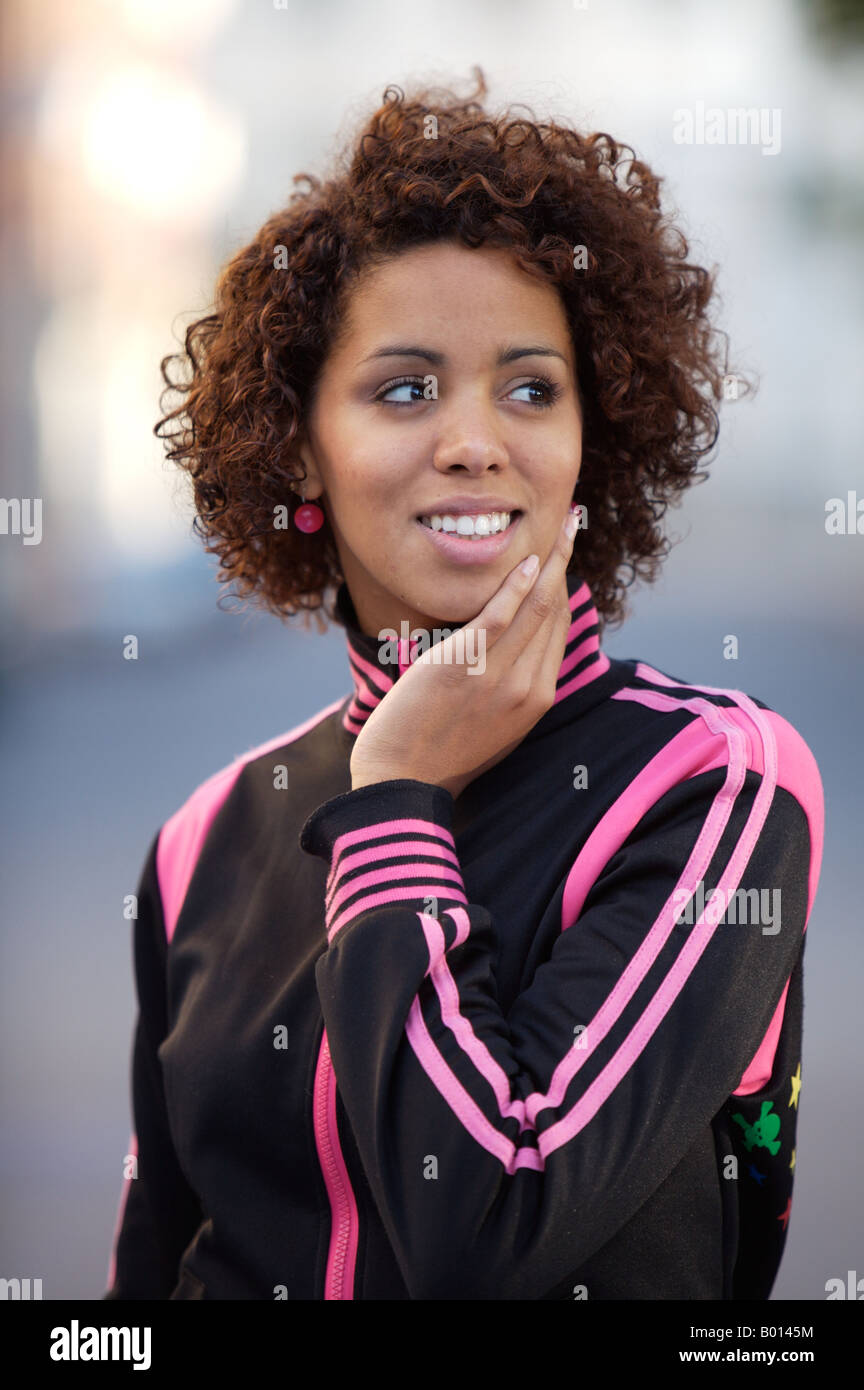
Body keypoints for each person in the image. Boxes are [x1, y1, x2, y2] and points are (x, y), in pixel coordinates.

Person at [104, 68, 824, 1301]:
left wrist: (394, 803)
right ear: (297, 444)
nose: (477, 439)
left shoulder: (714, 785)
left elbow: (487, 1222)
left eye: (532, 387)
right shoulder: (201, 840)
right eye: (404, 388)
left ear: (600, 433)